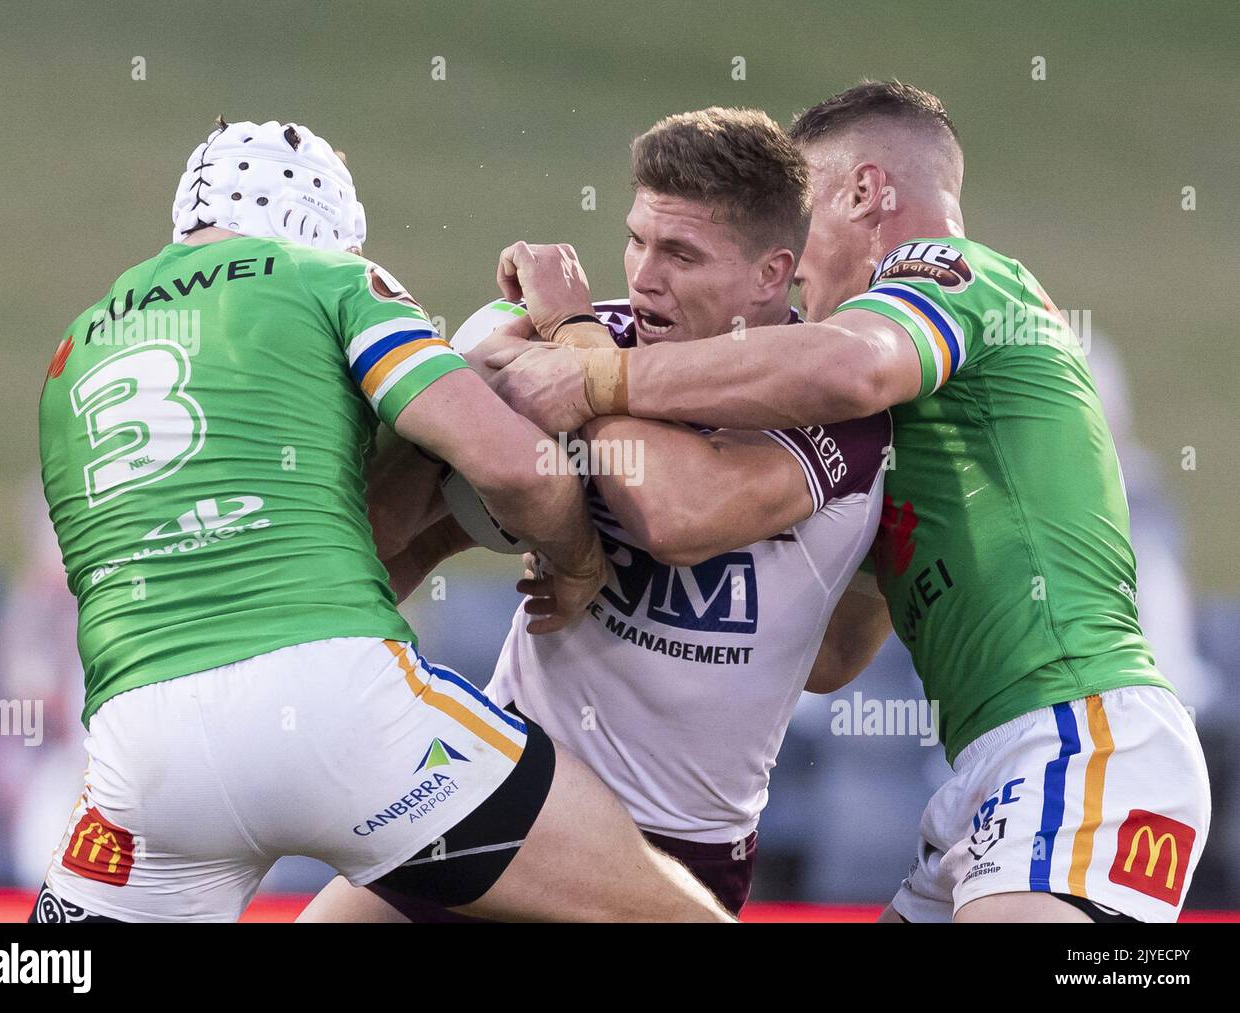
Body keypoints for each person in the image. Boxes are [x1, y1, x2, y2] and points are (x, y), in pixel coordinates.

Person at [485, 83, 1211, 923]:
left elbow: (848, 365)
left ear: (864, 193)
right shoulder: (901, 422)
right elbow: (831, 658)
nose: (792, 258)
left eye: (805, 221)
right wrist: (586, 540)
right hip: (989, 773)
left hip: (1078, 742)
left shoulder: (957, 275)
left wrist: (591, 370)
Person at [33, 117, 729, 923]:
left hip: (142, 750)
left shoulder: (71, 352)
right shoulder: (323, 278)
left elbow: (274, 525)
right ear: (323, 226)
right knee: (666, 913)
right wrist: (576, 561)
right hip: (340, 704)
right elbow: (512, 466)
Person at [301, 108, 892, 922]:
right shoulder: (591, 333)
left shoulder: (835, 410)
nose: (646, 277)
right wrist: (529, 512)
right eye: (638, 240)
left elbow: (675, 517)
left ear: (771, 272)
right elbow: (391, 529)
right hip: (509, 787)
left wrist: (577, 348)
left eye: (681, 254)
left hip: (679, 845)